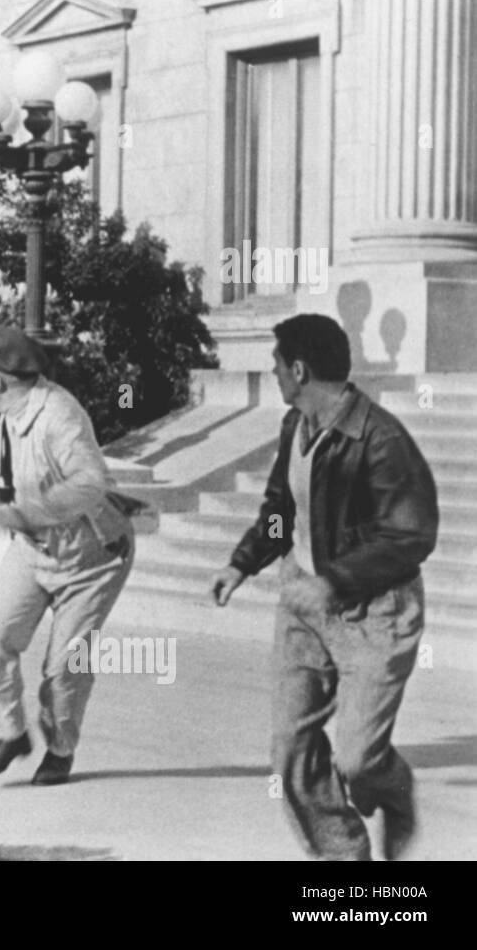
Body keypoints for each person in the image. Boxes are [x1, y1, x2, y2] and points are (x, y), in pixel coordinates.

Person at [209, 313, 438, 861]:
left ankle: (393, 787)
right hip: (304, 605)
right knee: (291, 751)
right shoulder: (296, 426)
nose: (275, 375)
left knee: (358, 760)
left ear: (300, 368)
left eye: (277, 366)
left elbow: (411, 532)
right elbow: (279, 511)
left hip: (375, 612)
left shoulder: (381, 438)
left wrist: (335, 580)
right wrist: (243, 563)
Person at [0, 324, 136, 784]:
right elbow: (19, 461)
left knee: (65, 667)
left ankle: (60, 749)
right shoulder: (10, 408)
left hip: (92, 557)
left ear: (0, 380)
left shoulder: (59, 413)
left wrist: (23, 512)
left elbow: (90, 482)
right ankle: (11, 733)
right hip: (34, 549)